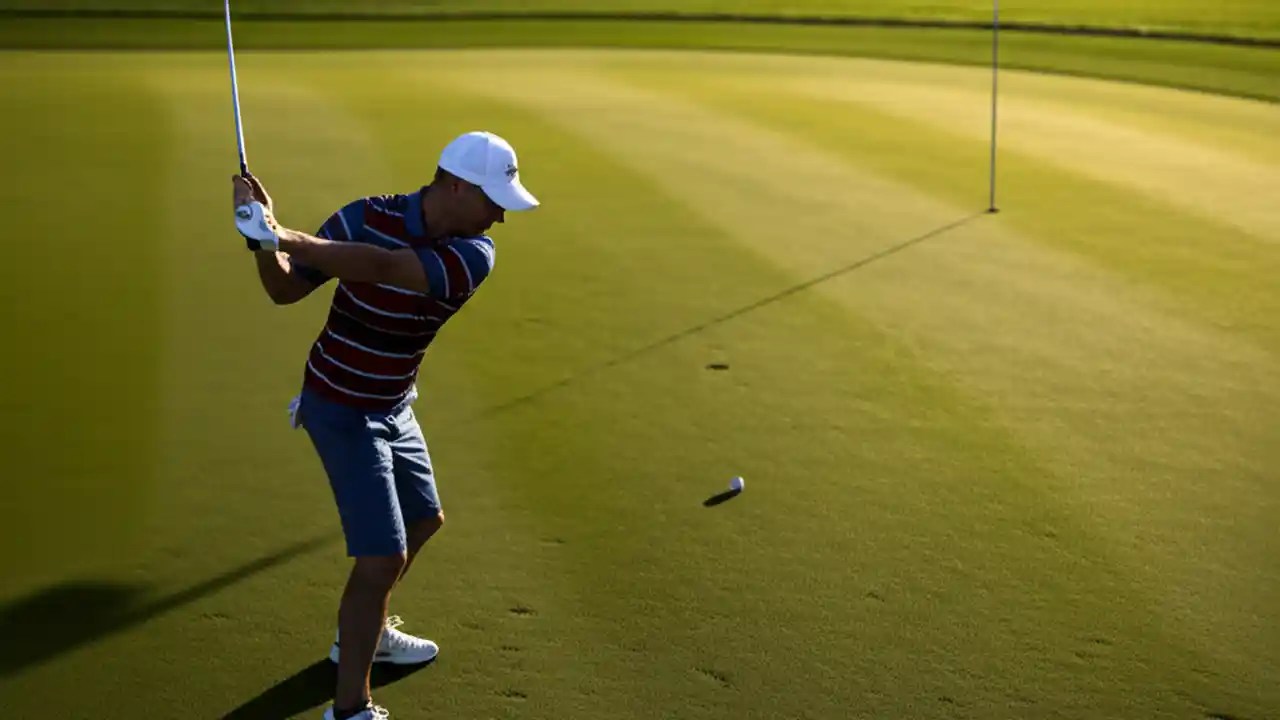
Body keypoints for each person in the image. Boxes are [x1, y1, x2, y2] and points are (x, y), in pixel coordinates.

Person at [231, 131, 539, 720]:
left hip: (393, 404)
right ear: (454, 185)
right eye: (494, 199)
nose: (501, 215)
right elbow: (284, 289)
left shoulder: (475, 255)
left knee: (424, 519)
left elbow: (383, 266)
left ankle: (360, 635)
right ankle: (350, 709)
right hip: (339, 404)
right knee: (380, 561)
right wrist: (258, 240)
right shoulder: (363, 216)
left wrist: (285, 234)